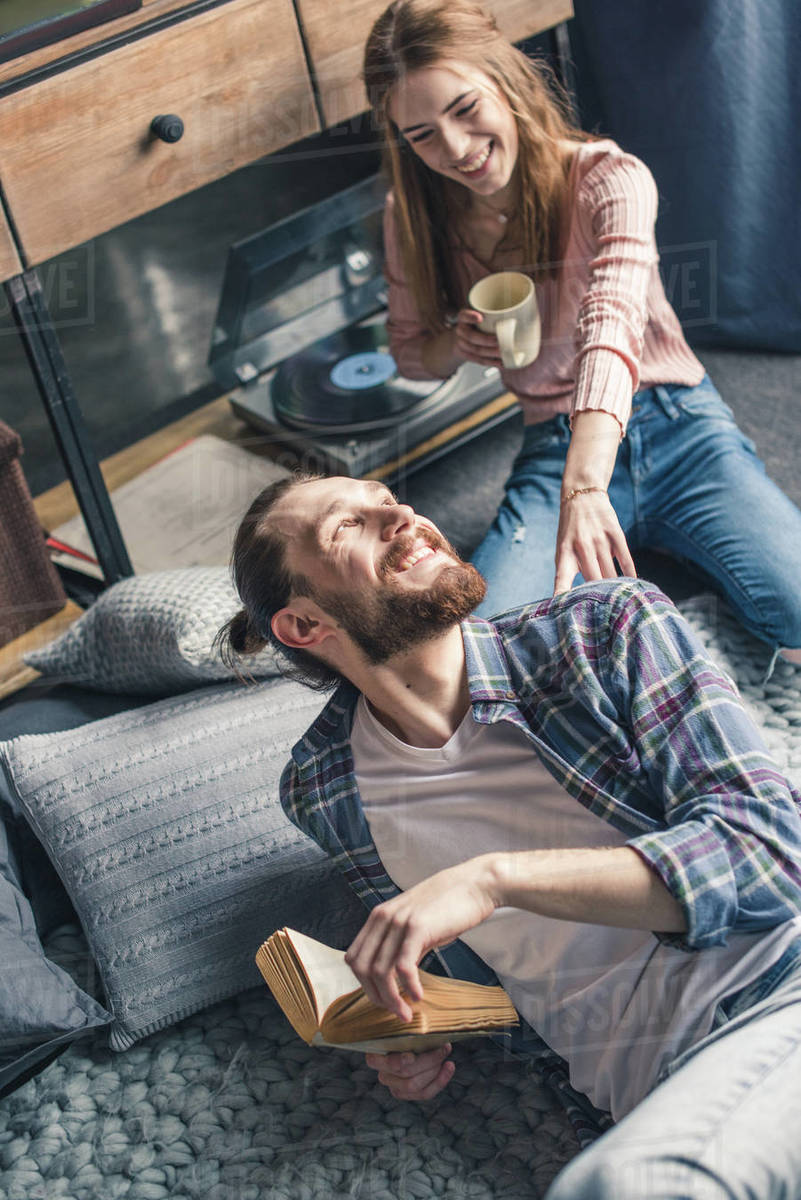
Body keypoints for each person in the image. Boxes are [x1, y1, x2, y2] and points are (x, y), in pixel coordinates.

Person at [219, 472, 801, 1199]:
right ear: (304, 627)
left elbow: (770, 856)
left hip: (775, 990)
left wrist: (489, 879)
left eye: (388, 499)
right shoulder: (323, 787)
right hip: (645, 1102)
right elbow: (488, 974)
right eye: (348, 526)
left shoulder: (604, 629)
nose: (399, 514)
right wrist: (418, 1032)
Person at [363, 0, 801, 667]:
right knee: (490, 650)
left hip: (677, 424)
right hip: (552, 443)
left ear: (506, 82)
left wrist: (586, 488)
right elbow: (408, 354)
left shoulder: (609, 177)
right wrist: (455, 344)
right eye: (420, 134)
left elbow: (611, 328)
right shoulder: (410, 215)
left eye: (463, 108)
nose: (452, 150)